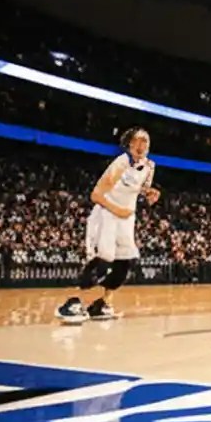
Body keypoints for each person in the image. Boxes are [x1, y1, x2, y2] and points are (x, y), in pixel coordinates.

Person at [57, 127, 160, 323]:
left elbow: (141, 189)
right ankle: (71, 303)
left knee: (126, 262)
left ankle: (101, 304)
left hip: (126, 221)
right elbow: (96, 195)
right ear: (129, 144)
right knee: (101, 261)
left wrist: (150, 194)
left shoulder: (150, 166)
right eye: (137, 140)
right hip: (107, 215)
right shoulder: (120, 163)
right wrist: (118, 210)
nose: (142, 145)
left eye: (145, 141)